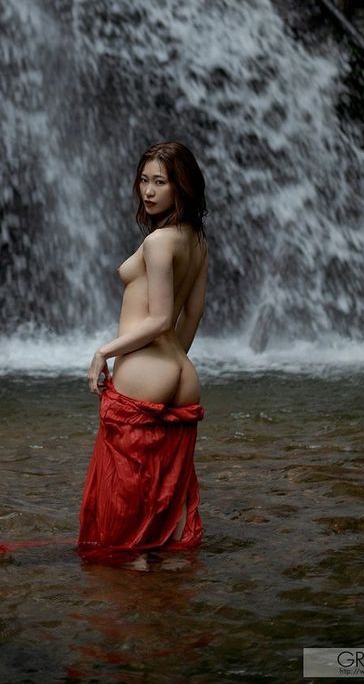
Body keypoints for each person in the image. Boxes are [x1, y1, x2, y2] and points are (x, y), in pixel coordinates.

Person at [78, 141, 208, 559]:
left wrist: (104, 351)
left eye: (160, 182)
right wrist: (174, 364)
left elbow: (157, 318)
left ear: (180, 187)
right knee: (165, 492)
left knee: (124, 495)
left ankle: (126, 596)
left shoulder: (158, 243)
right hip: (181, 372)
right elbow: (193, 314)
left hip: (145, 371)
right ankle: (168, 592)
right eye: (144, 180)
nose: (148, 191)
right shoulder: (196, 239)